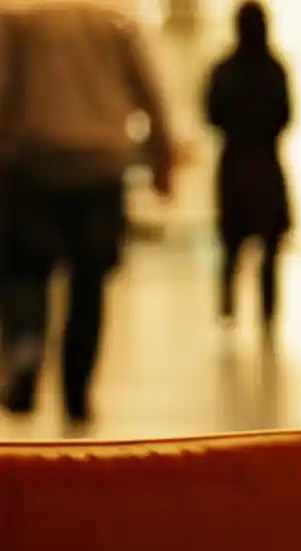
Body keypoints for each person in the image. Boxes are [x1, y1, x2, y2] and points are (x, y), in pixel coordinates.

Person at [1, 0, 174, 424]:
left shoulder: (19, 21)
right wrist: (162, 159)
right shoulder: (114, 23)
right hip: (101, 165)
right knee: (89, 282)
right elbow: (149, 90)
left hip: (33, 161)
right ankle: (77, 390)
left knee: (24, 269)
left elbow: (2, 88)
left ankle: (25, 345)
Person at [205, 1, 292, 328]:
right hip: (266, 161)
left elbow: (211, 113)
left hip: (234, 162)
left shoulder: (224, 70)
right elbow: (286, 115)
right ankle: (268, 309)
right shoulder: (275, 69)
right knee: (270, 245)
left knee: (230, 241)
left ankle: (228, 302)